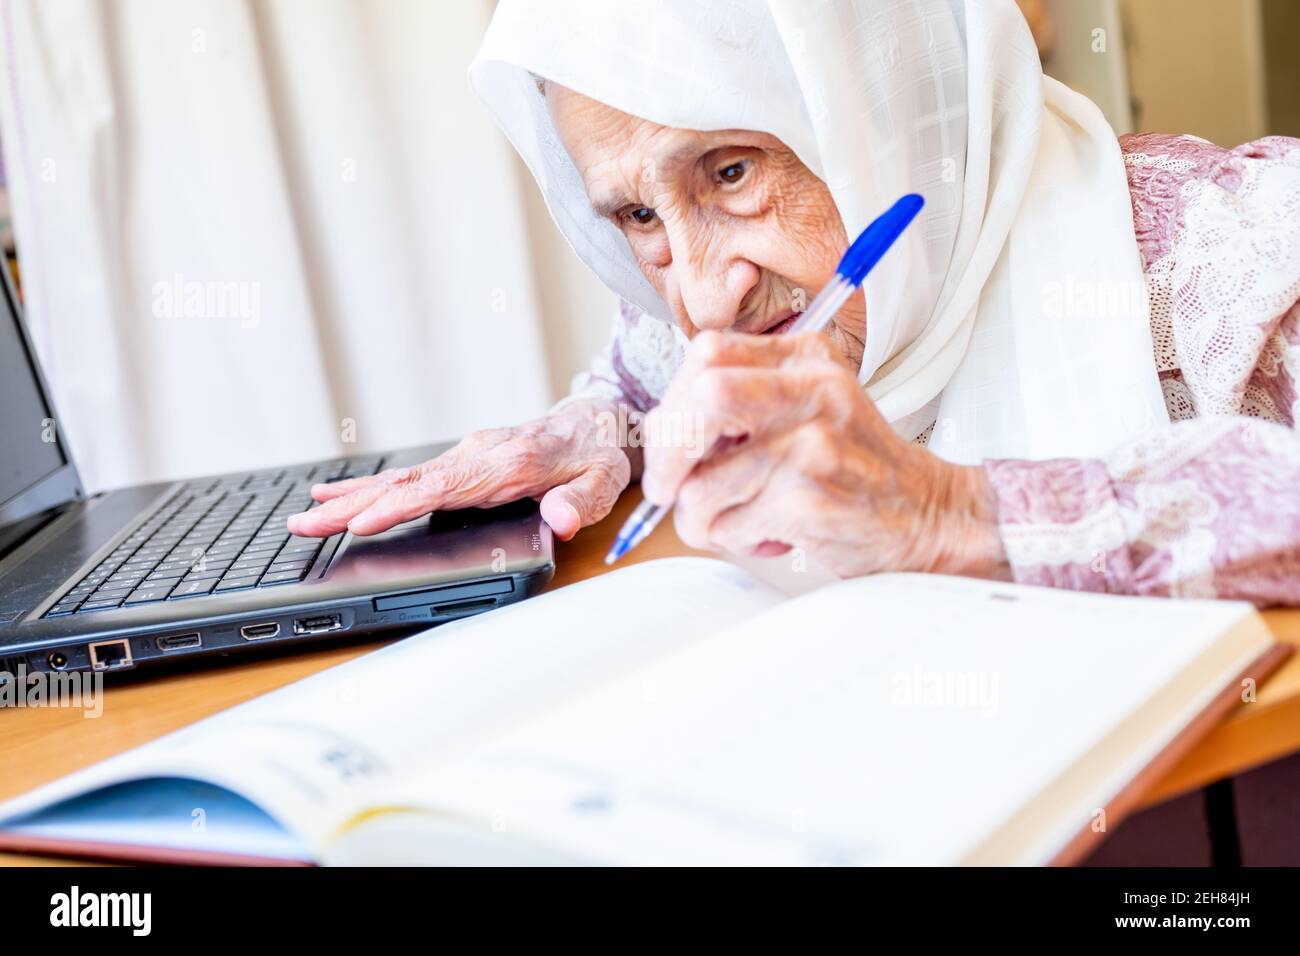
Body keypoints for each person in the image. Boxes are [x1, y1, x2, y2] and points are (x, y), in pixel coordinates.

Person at [288, 0, 1300, 605]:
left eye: (730, 171)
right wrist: (599, 430)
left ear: (881, 115)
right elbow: (640, 373)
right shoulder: (719, 313)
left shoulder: (1236, 248)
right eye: (639, 214)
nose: (702, 298)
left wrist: (948, 509)